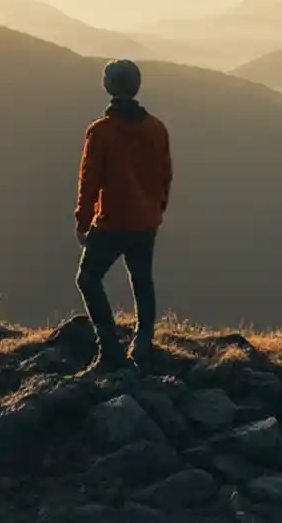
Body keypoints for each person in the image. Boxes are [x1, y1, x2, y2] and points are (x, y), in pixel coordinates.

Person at [74, 59, 172, 374]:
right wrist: (156, 210)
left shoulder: (100, 132)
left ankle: (110, 351)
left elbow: (90, 181)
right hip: (146, 221)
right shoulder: (156, 128)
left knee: (88, 279)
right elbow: (165, 175)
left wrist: (82, 221)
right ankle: (143, 343)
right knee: (142, 279)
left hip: (112, 221)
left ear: (108, 86)